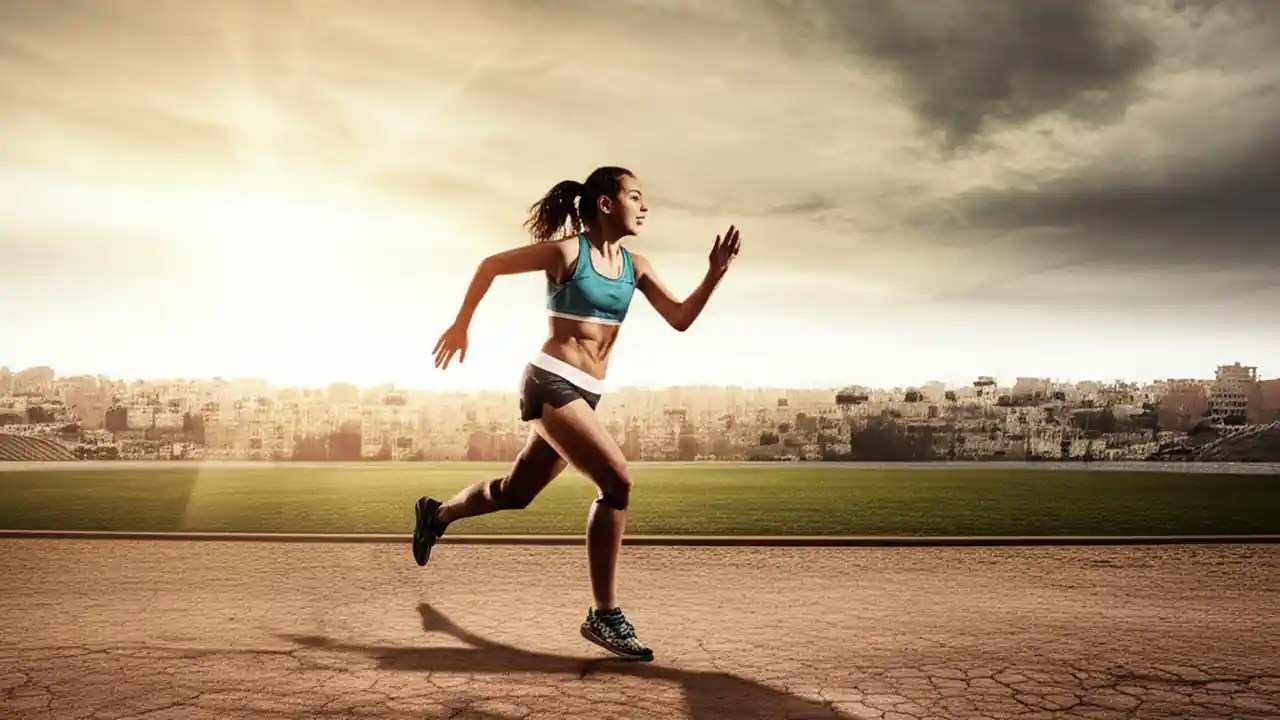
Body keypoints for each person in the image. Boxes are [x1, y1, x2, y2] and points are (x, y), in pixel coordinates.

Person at [413, 166, 741, 662]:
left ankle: (437, 515)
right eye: (636, 196)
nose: (644, 206)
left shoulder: (637, 266)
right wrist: (461, 326)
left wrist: (713, 274)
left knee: (515, 493)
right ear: (607, 204)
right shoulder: (569, 253)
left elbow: (679, 319)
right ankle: (603, 614)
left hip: (584, 395)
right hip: (549, 382)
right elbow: (489, 265)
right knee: (617, 481)